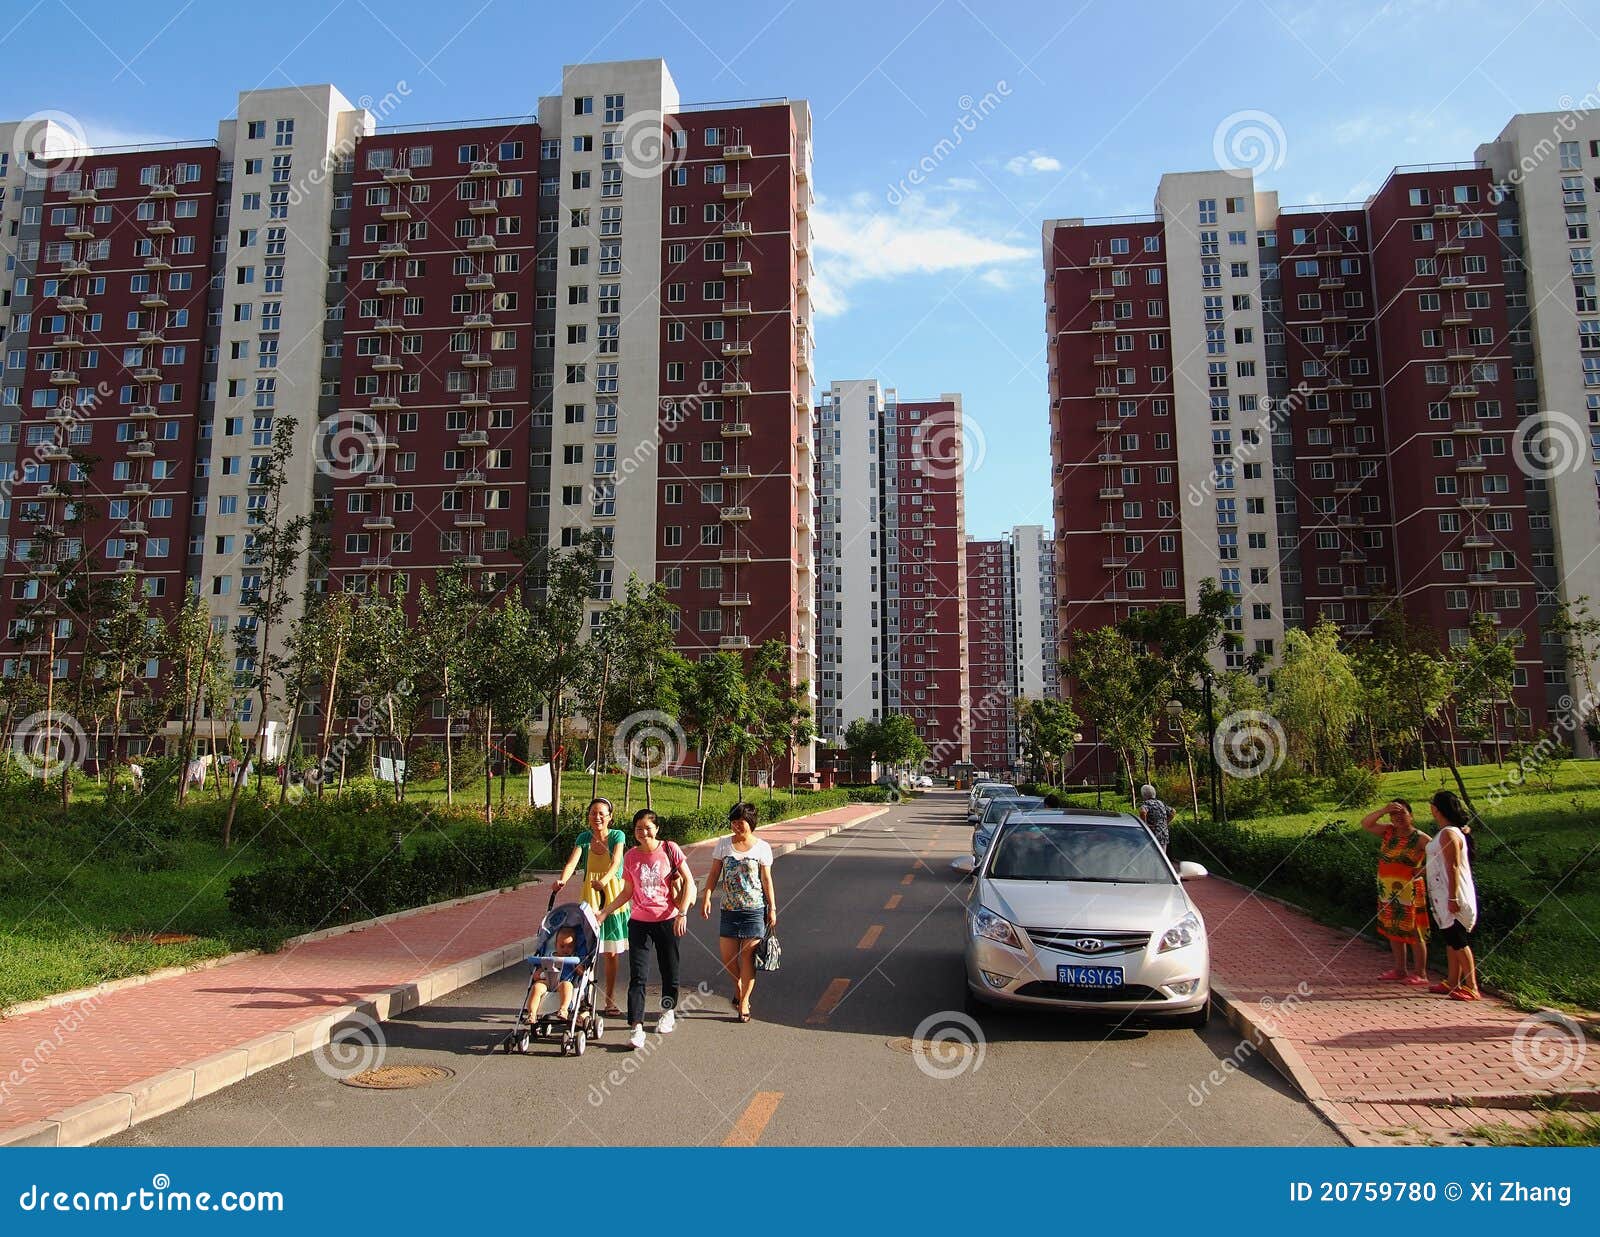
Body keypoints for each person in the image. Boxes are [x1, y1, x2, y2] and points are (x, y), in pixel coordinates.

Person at [597, 809, 695, 1050]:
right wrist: (605, 911)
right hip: (639, 922)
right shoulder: (630, 856)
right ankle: (636, 1027)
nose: (643, 832)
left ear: (657, 828)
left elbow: (690, 883)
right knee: (638, 975)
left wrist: (682, 913)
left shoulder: (670, 849)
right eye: (638, 829)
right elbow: (627, 892)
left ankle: (668, 1011)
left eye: (648, 828)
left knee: (669, 970)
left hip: (667, 920)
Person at [700, 802, 777, 1023]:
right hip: (729, 910)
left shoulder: (762, 847)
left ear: (751, 822)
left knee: (748, 957)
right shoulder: (724, 844)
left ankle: (744, 1001)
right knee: (728, 958)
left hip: (754, 910)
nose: (736, 826)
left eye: (740, 822)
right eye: (733, 822)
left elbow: (766, 880)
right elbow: (714, 873)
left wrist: (772, 908)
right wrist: (706, 896)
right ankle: (738, 987)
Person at [553, 797, 628, 1015]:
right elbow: (572, 862)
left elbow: (616, 862)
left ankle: (609, 1000)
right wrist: (562, 880)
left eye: (601, 813)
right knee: (588, 952)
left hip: (611, 897)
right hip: (590, 898)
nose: (597, 817)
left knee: (610, 953)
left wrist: (603, 881)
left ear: (610, 817)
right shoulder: (584, 838)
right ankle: (585, 999)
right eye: (593, 813)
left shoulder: (617, 836)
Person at [1359, 799, 1431, 985]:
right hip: (1388, 890)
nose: (1398, 818)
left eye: (1402, 813)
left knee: (1414, 931)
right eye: (1394, 814)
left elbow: (1441, 857)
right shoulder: (1388, 832)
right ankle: (1400, 969)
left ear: (1411, 815)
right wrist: (1383, 810)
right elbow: (1366, 824)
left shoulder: (1420, 838)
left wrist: (1423, 870)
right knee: (1393, 927)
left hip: (1410, 890)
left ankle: (1420, 973)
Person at [1425, 789, 1480, 1000]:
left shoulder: (1449, 834)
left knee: (1458, 940)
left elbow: (1453, 865)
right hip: (1442, 893)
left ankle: (1472, 986)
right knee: (1450, 938)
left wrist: (1453, 897)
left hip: (1451, 893)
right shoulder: (1448, 832)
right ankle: (1452, 980)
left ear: (1436, 809)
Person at [522, 924, 581, 1023]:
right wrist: (538, 974)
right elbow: (539, 971)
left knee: (567, 986)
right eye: (562, 946)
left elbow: (581, 972)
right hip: (547, 981)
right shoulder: (549, 956)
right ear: (555, 945)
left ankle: (563, 1009)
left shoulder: (573, 959)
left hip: (562, 982)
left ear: (574, 947)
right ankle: (532, 1014)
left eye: (569, 947)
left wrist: (579, 967)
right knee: (536, 987)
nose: (565, 950)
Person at [1138, 783, 1173, 850]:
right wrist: (1165, 823)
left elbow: (1143, 812)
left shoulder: (1147, 803)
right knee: (1161, 854)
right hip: (1163, 835)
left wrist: (1145, 825)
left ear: (1144, 794)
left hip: (1153, 835)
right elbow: (1173, 811)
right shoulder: (1160, 803)